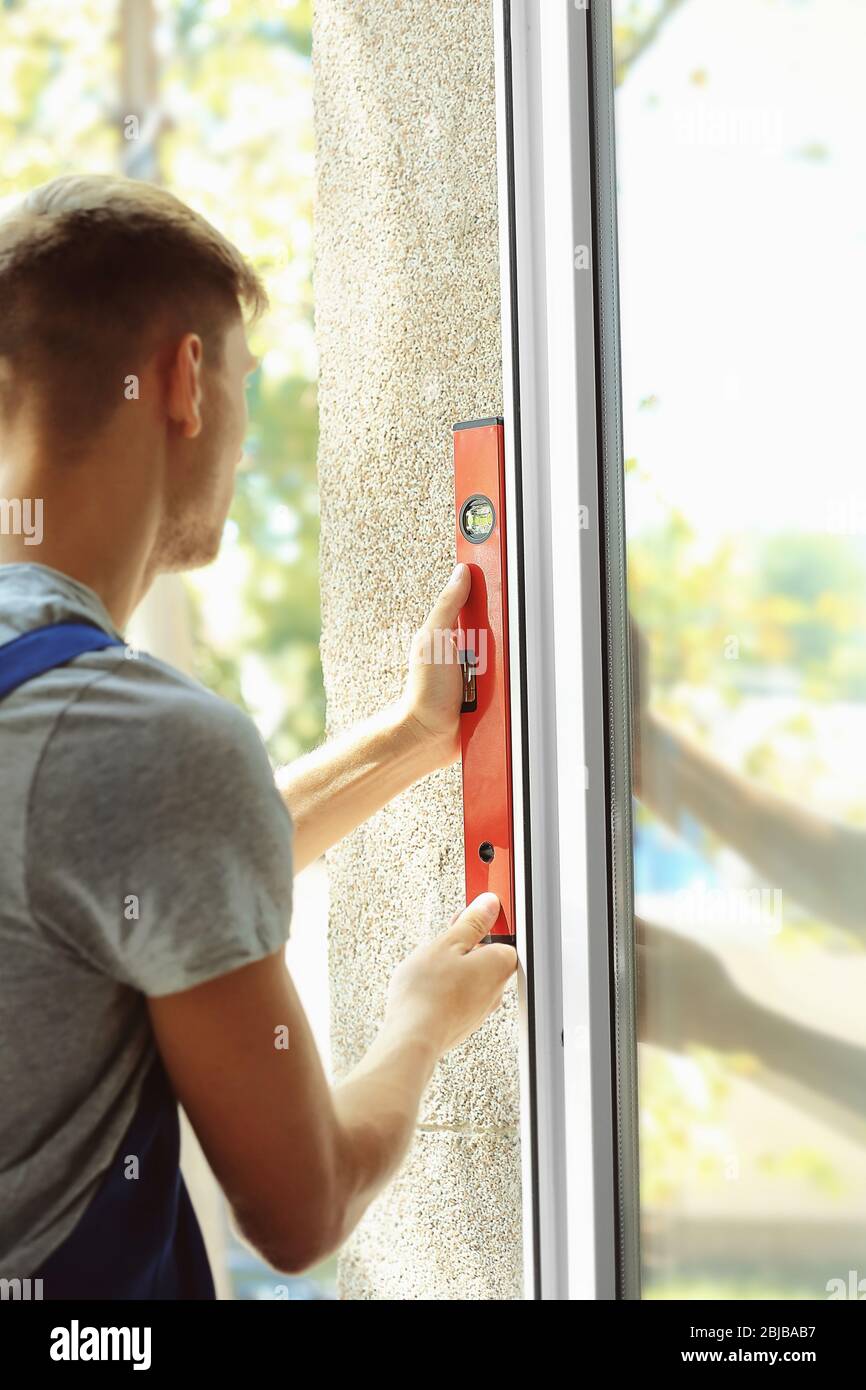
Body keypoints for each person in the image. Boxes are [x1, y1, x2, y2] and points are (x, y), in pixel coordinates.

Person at [0, 173, 517, 1299]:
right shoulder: (136, 738)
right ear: (184, 380)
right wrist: (419, 1025)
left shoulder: (55, 724)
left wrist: (414, 735)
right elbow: (300, 1210)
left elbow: (105, 871)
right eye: (242, 379)